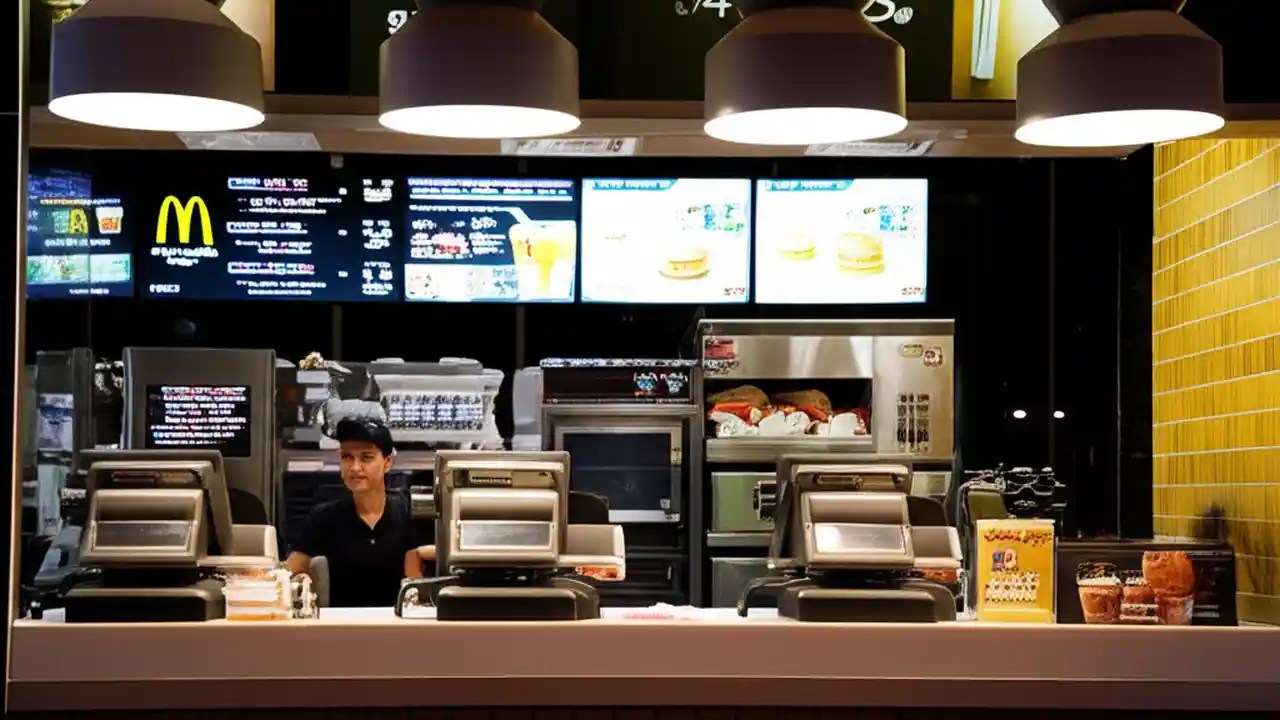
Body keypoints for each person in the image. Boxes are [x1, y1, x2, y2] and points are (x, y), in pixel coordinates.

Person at [285, 418, 434, 607]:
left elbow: (417, 586)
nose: (355, 467)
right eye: (347, 457)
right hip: (340, 627)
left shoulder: (408, 514)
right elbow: (290, 572)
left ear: (387, 463)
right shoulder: (324, 517)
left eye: (366, 457)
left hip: (398, 626)